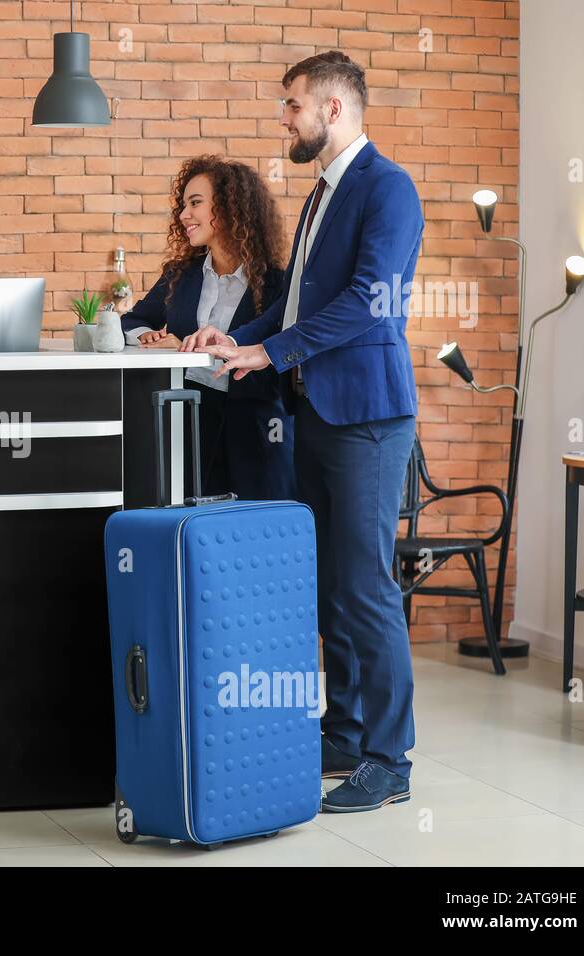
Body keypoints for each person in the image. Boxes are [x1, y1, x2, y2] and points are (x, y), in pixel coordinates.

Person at [189, 51, 424, 813]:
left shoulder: (388, 188)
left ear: (332, 109)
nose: (283, 118)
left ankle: (390, 760)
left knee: (364, 585)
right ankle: (348, 731)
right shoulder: (323, 192)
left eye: (292, 105)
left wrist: (271, 350)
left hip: (366, 416)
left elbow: (368, 303)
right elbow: (292, 303)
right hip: (314, 410)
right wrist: (237, 339)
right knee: (329, 584)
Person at [122, 156, 295, 501]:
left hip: (255, 434)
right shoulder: (180, 275)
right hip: (188, 427)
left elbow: (281, 361)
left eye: (196, 203)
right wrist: (151, 338)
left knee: (250, 540)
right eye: (183, 205)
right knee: (192, 533)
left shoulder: (278, 283)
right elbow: (132, 320)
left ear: (233, 207)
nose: (184, 214)